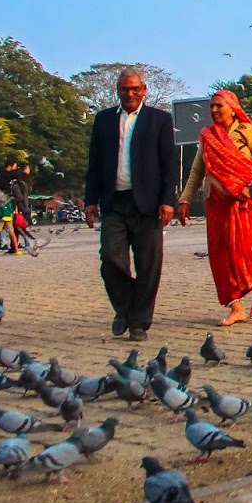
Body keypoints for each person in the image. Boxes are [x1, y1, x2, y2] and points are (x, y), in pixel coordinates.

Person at [84, 68, 177, 341]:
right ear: (118, 90)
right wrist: (90, 201)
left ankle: (139, 323)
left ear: (144, 90)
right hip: (114, 202)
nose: (131, 93)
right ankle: (124, 308)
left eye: (135, 88)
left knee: (149, 264)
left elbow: (169, 165)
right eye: (125, 89)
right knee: (111, 260)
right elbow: (94, 165)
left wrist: (167, 201)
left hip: (148, 204)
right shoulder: (103, 121)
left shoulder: (158, 120)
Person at [177, 89, 252, 326]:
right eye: (211, 106)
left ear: (233, 108)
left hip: (248, 203)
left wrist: (251, 186)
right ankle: (235, 307)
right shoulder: (207, 137)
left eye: (218, 106)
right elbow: (197, 172)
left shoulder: (246, 131)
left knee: (251, 248)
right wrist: (184, 199)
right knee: (221, 254)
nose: (213, 110)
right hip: (217, 204)